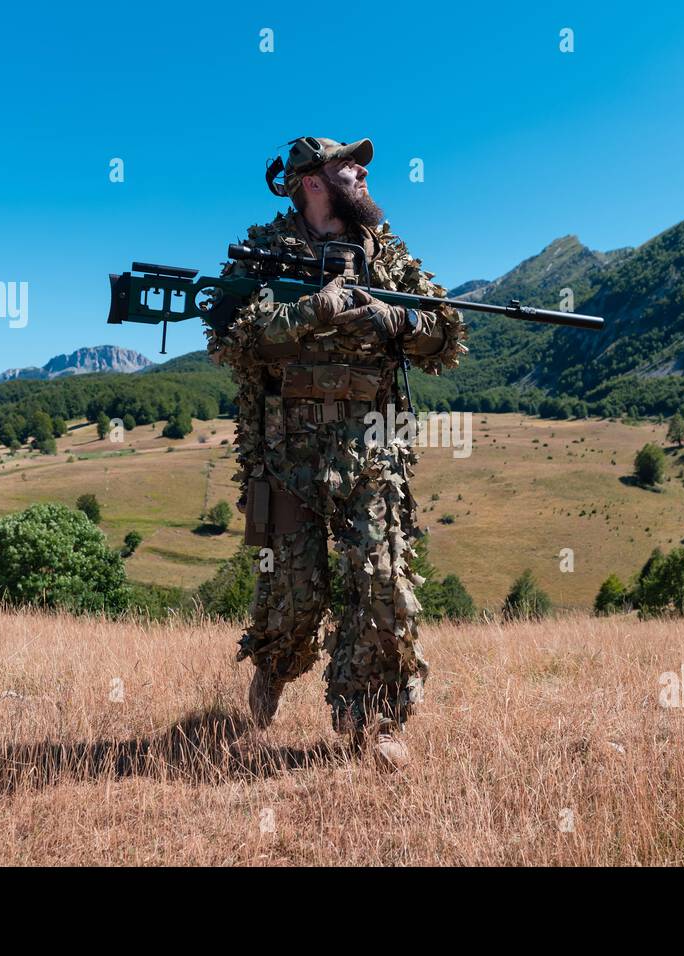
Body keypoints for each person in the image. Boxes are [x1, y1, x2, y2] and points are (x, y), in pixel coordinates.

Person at [206, 136, 467, 770]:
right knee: (293, 587)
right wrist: (304, 314)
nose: (361, 171)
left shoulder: (385, 254)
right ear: (311, 181)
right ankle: (273, 667)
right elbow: (230, 338)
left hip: (371, 451)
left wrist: (396, 322)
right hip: (286, 448)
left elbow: (447, 329)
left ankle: (371, 723)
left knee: (378, 582)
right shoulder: (264, 249)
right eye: (347, 164)